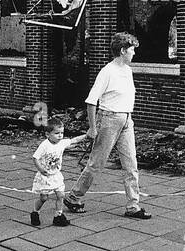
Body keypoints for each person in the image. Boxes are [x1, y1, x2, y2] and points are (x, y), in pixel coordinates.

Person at [63, 31, 151, 219]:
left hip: (127, 120)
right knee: (96, 163)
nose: (134, 53)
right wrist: (93, 128)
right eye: (131, 50)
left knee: (131, 164)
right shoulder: (107, 72)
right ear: (122, 51)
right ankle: (73, 197)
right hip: (109, 120)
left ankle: (133, 206)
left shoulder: (127, 70)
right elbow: (91, 101)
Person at [29, 115, 85, 228]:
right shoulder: (44, 145)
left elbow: (74, 140)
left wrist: (87, 135)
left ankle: (58, 216)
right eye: (57, 133)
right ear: (48, 134)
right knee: (44, 198)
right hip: (45, 176)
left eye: (62, 133)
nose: (60, 136)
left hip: (56, 175)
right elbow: (35, 158)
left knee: (61, 195)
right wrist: (40, 169)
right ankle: (35, 212)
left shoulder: (61, 143)